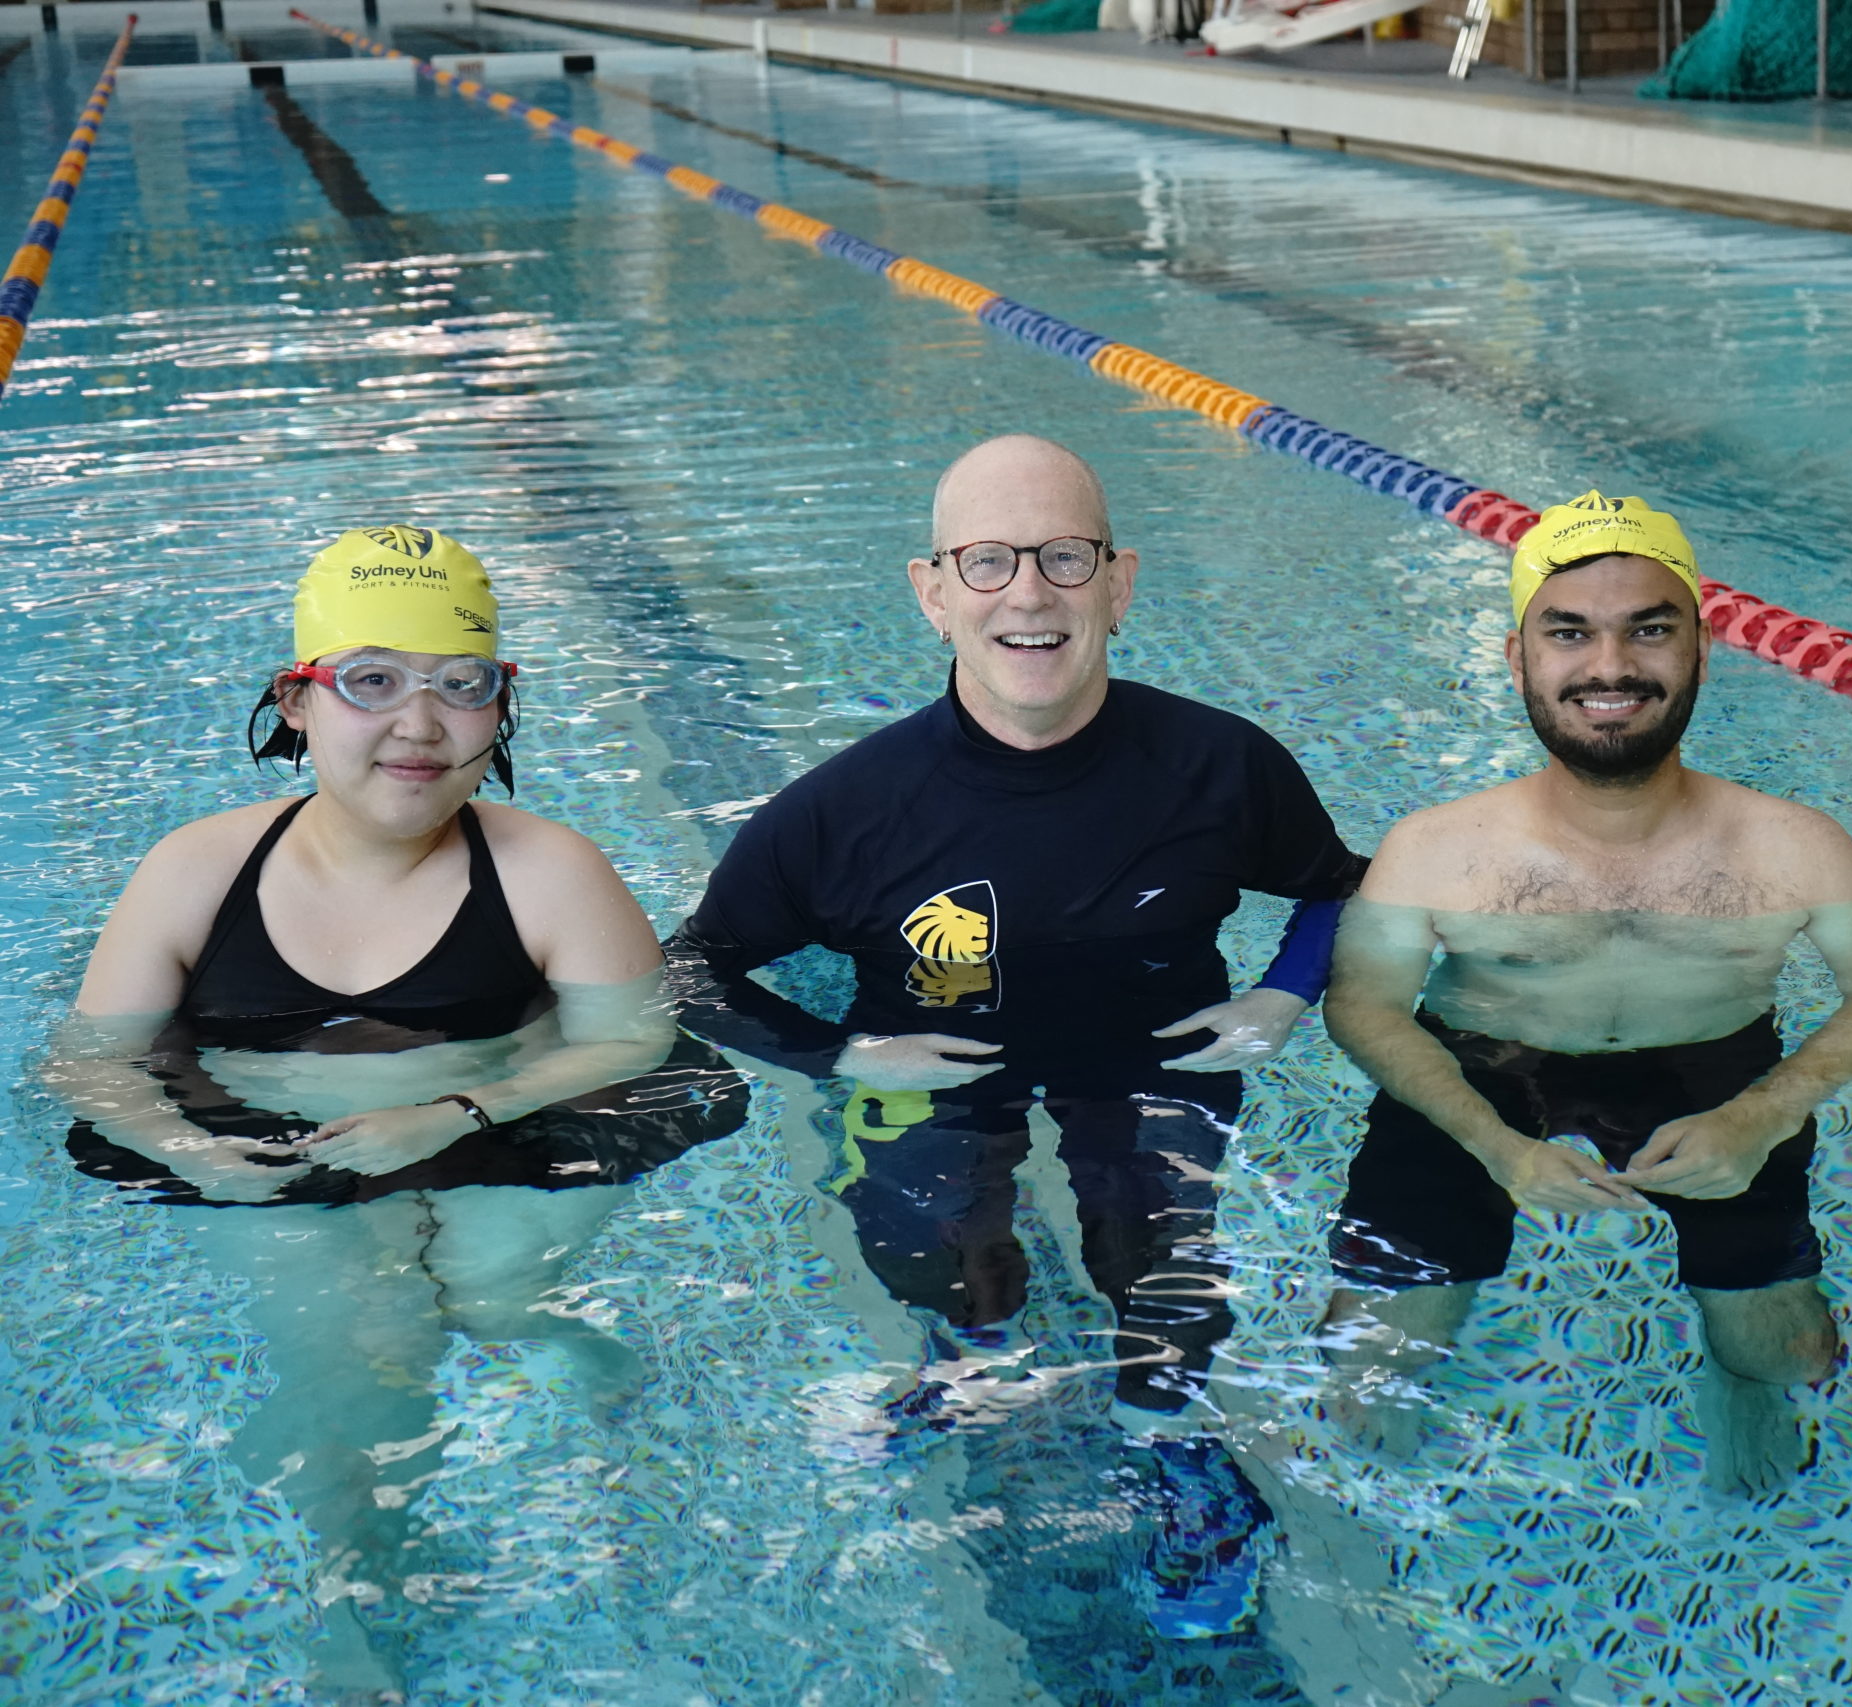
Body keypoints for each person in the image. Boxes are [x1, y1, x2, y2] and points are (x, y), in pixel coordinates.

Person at [667, 435, 1363, 1635]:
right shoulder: (843, 811)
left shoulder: (1219, 765)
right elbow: (685, 971)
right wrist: (841, 1055)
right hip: (937, 1059)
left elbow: (1343, 888)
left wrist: (1285, 994)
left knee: (1160, 1251)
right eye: (986, 563)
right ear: (932, 593)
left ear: (1119, 582)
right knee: (928, 1227)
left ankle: (1172, 1440)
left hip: (1148, 1054)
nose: (1029, 593)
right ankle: (960, 1355)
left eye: (1062, 557)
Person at [46, 527, 747, 1693]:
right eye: (371, 681)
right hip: (279, 1146)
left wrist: (464, 1110)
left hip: (510, 1133)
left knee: (483, 1295)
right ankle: (359, 1616)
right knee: (358, 1350)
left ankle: (523, 1324)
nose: (419, 725)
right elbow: (88, 1066)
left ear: (500, 706)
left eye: (460, 685)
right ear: (299, 700)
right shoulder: (196, 870)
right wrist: (192, 1150)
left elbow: (632, 1040)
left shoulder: (550, 870)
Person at [1318, 492, 1852, 1493]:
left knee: (1784, 1356)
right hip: (1483, 1068)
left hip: (1715, 1071)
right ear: (1518, 658)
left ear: (1700, 651)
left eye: (1649, 629)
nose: (1609, 668)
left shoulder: (1794, 845)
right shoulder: (1432, 849)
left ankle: (1735, 1395)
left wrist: (1757, 1117)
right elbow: (1365, 1006)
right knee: (1361, 1376)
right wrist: (1496, 1146)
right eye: (1570, 634)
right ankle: (1387, 1510)